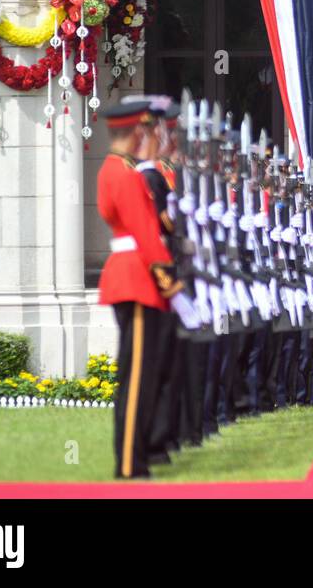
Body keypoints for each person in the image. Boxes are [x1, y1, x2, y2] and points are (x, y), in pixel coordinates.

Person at [96, 101, 182, 479]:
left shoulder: (118, 170)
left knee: (140, 374)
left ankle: (138, 454)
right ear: (136, 133)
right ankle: (130, 463)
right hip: (137, 277)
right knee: (136, 379)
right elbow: (145, 232)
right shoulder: (124, 175)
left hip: (132, 273)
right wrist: (168, 278)